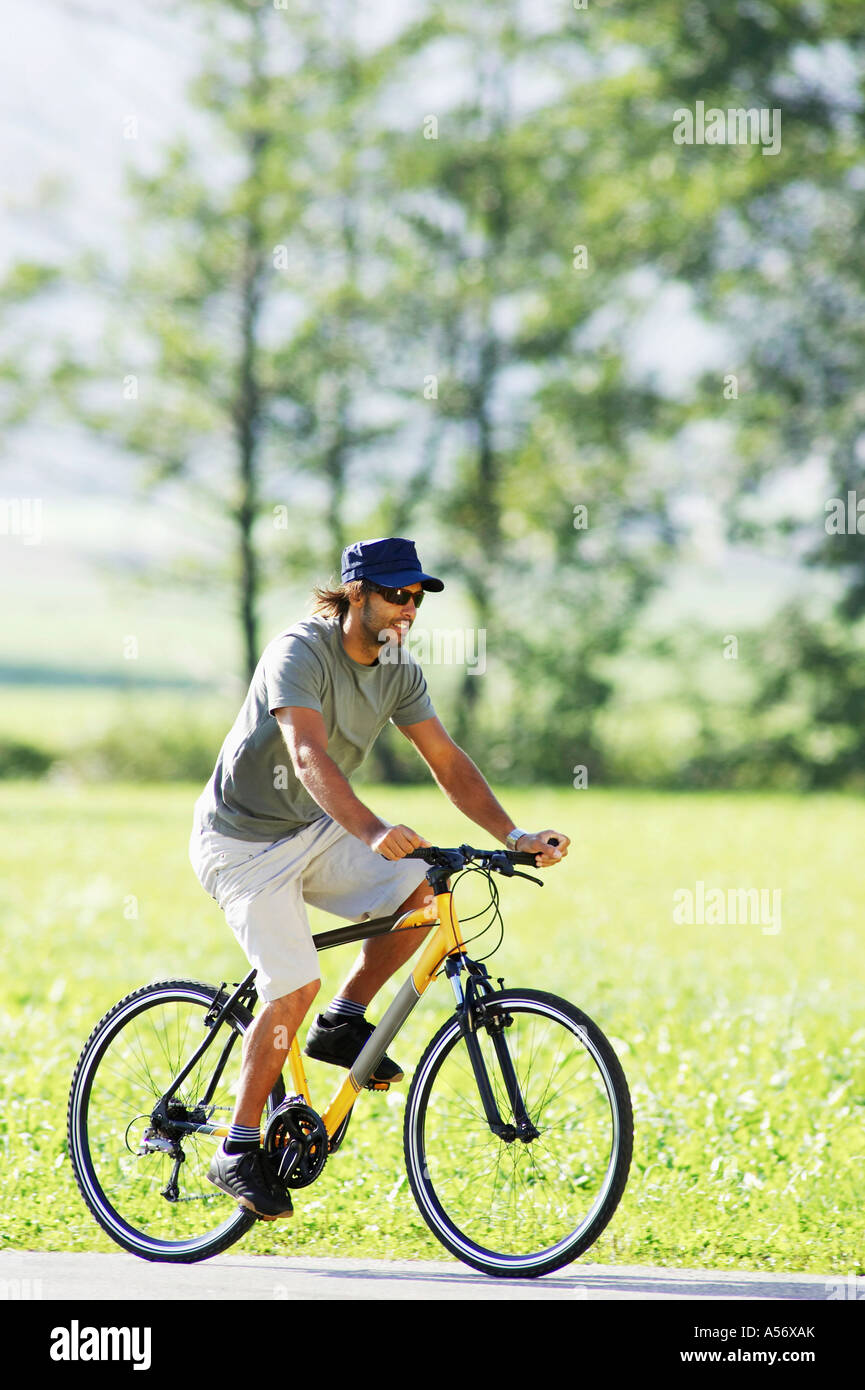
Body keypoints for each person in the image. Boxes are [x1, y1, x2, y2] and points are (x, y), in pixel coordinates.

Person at [188, 536, 570, 1220]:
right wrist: (369, 831)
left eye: (417, 597)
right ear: (355, 593)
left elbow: (446, 761)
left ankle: (342, 1022)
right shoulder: (298, 652)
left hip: (313, 830)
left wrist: (512, 836)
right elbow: (306, 755)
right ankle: (237, 1150)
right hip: (241, 843)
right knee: (292, 982)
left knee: (422, 888)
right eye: (396, 594)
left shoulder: (397, 668)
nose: (408, 608)